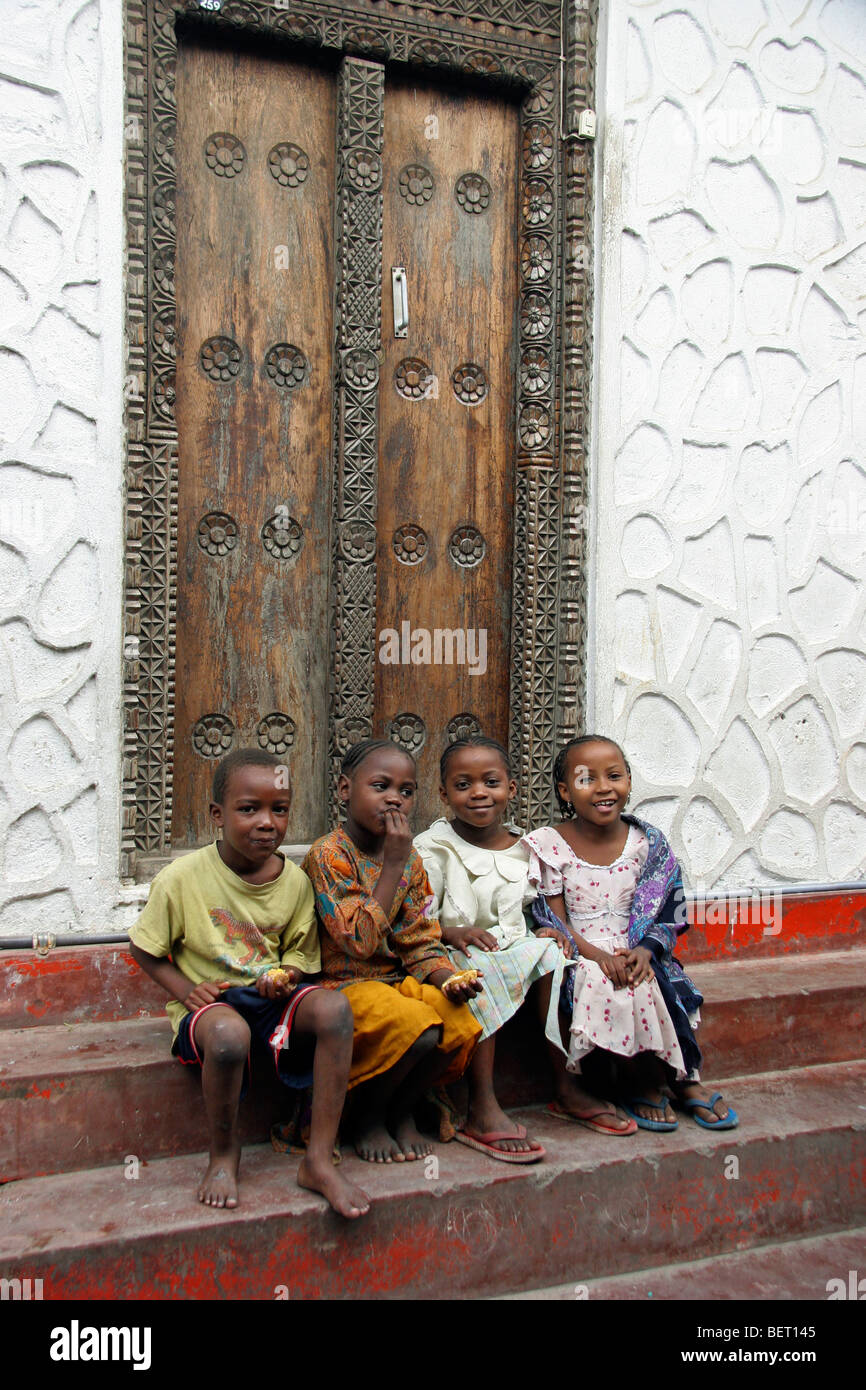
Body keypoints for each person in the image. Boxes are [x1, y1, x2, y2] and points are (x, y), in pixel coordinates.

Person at [128, 747, 370, 1218]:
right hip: (212, 1003)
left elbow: (301, 956)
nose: (266, 822)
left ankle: (318, 1158)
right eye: (248, 809)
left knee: (335, 1010)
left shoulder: (295, 881)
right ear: (217, 814)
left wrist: (290, 979)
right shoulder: (181, 879)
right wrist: (185, 991)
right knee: (227, 1035)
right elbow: (144, 947)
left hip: (270, 999)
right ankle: (223, 1153)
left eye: (279, 810)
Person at [416, 736, 635, 1158]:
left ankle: (566, 1085)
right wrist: (452, 932)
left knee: (552, 955)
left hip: (510, 946)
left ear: (512, 789)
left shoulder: (527, 848)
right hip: (455, 953)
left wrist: (545, 930)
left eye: (491, 782)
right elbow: (418, 918)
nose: (479, 793)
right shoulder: (434, 848)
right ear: (444, 795)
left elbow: (533, 909)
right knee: (478, 967)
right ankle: (481, 1104)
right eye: (463, 785)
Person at [524, 735, 738, 1132]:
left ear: (629, 783)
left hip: (636, 947)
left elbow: (669, 908)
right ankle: (644, 1081)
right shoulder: (549, 845)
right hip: (580, 952)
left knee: (651, 978)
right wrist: (597, 957)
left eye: (615, 776)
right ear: (565, 791)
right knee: (610, 985)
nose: (604, 787)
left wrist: (644, 950)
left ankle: (680, 1078)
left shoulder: (647, 843)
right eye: (587, 779)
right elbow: (553, 922)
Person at [302, 739, 483, 1164]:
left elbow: (419, 938)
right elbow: (359, 941)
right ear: (345, 790)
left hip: (395, 981)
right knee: (417, 1026)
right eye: (380, 786)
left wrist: (448, 979)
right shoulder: (328, 855)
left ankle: (400, 1110)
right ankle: (367, 1117)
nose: (394, 799)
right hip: (343, 985)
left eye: (405, 790)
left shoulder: (411, 860)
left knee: (456, 1019)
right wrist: (394, 866)